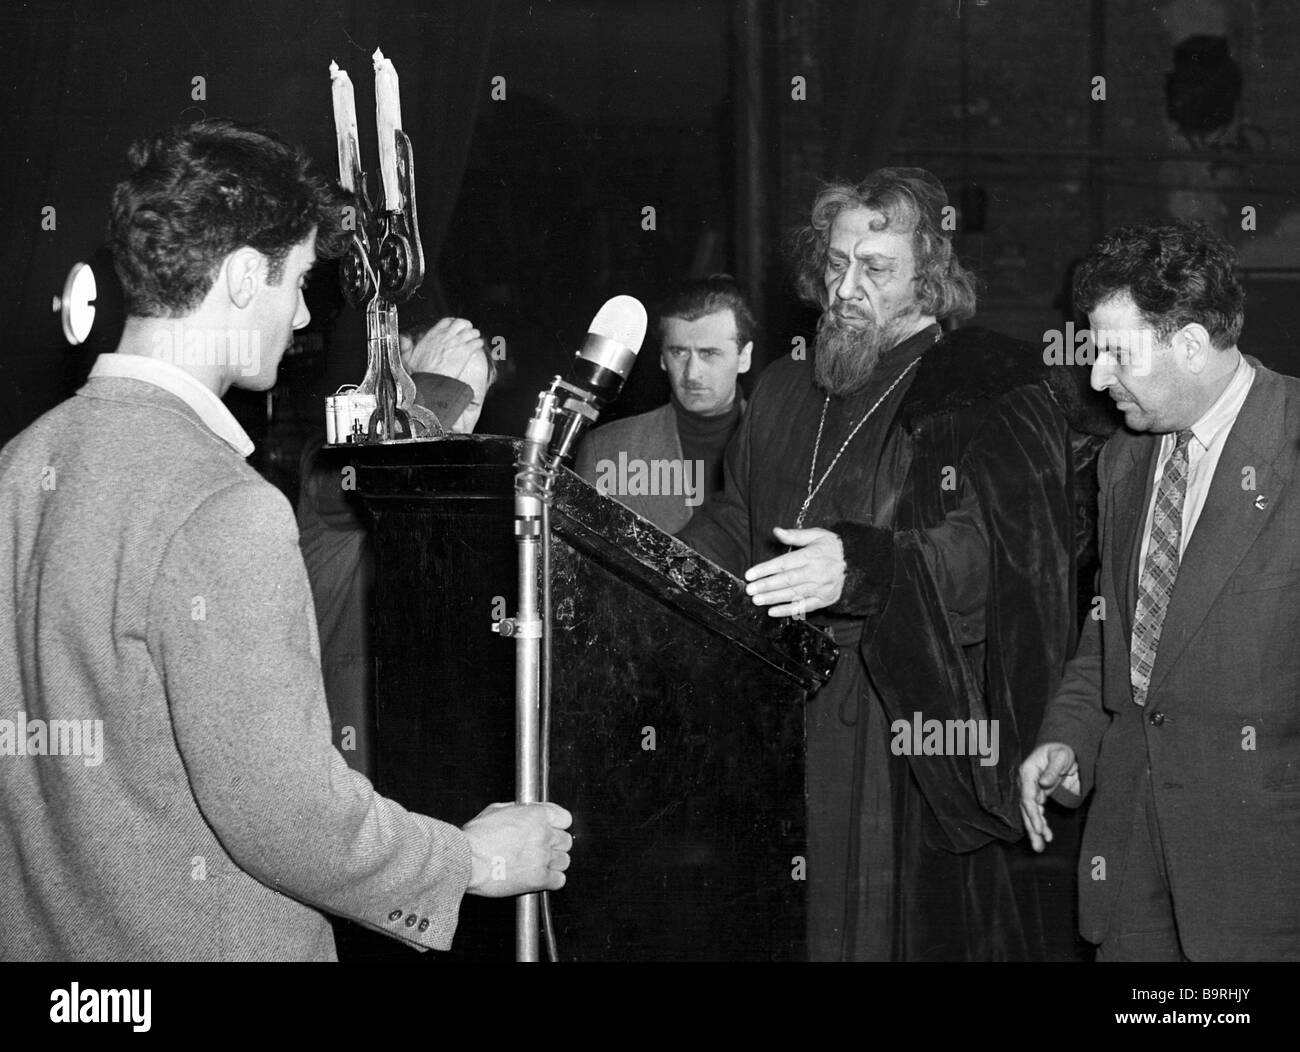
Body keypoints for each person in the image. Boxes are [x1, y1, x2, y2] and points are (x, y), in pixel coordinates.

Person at [0, 120, 570, 962]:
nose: (304, 314)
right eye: (299, 281)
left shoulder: (23, 462)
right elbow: (284, 814)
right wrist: (473, 860)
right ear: (239, 279)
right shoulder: (221, 504)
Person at [677, 167, 1115, 961]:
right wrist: (654, 570)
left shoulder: (982, 386)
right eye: (837, 262)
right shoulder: (780, 388)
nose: (847, 287)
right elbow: (732, 521)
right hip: (774, 710)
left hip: (899, 719)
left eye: (875, 269)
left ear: (931, 280)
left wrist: (864, 566)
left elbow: (998, 554)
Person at [1020, 220, 1300, 962]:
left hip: (1267, 883)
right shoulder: (1124, 459)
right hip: (1132, 862)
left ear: (1188, 346)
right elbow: (1111, 630)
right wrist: (1069, 733)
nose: (1097, 379)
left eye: (1117, 354)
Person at [298, 317, 496, 777]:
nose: (455, 423)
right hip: (350, 761)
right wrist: (423, 387)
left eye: (471, 402)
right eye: (449, 397)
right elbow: (364, 477)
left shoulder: (475, 497)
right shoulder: (333, 458)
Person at [574, 276, 754, 532]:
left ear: (744, 357)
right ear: (662, 359)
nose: (692, 374)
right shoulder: (605, 449)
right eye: (678, 352)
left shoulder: (783, 446)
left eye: (709, 353)